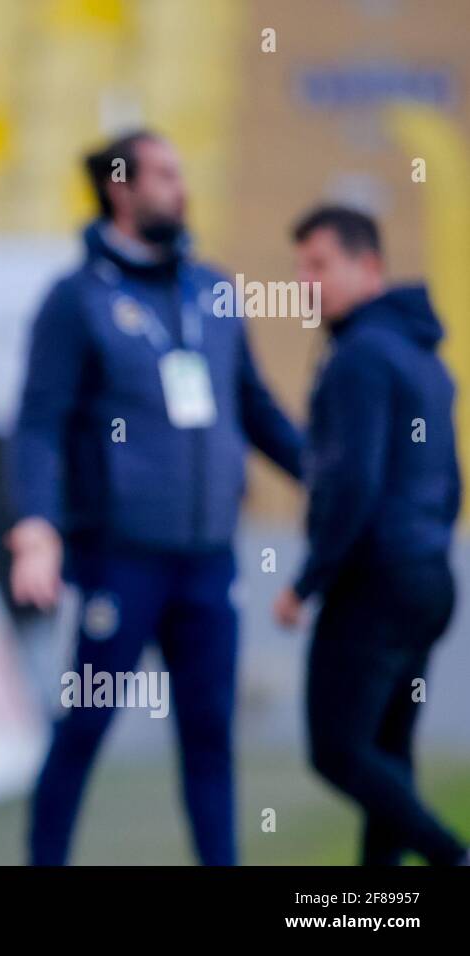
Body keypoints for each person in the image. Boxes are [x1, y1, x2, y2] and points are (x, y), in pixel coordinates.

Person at [7, 130, 302, 865]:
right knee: (85, 726)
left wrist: (326, 478)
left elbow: (256, 408)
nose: (181, 187)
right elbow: (39, 425)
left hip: (208, 561)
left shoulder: (214, 290)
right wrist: (36, 528)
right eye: (165, 174)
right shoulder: (75, 302)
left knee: (209, 734)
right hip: (121, 559)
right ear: (120, 187)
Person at [274, 205, 468, 866]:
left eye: (319, 264)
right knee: (386, 753)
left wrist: (307, 583)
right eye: (300, 267)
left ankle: (450, 855)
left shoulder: (360, 356)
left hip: (374, 583)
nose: (305, 281)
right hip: (426, 579)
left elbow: (352, 483)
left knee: (337, 751)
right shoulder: (422, 358)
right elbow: (451, 480)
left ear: (369, 266)